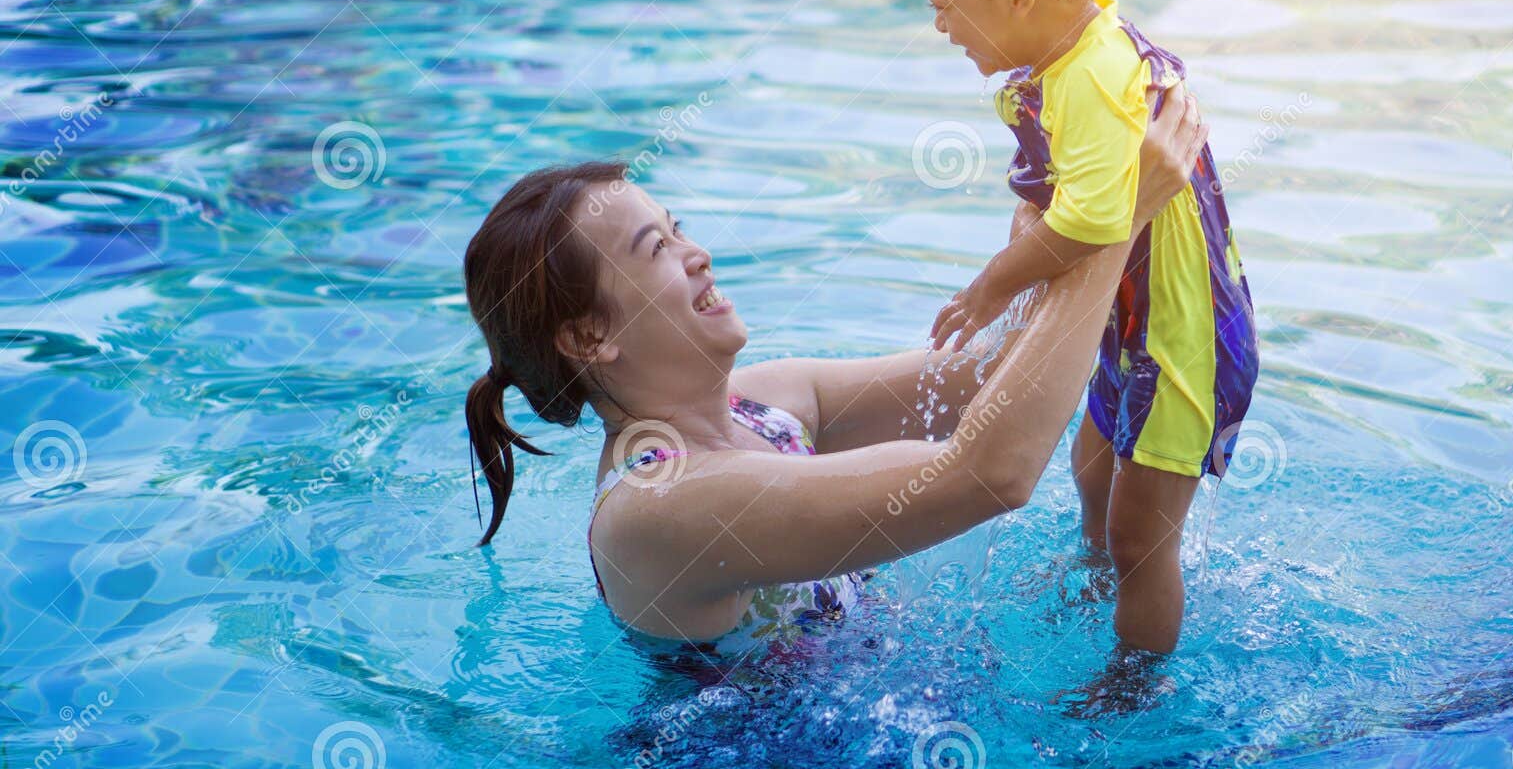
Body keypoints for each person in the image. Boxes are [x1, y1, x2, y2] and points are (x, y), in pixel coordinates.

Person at [461, 89, 1206, 651]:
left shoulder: (764, 402)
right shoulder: (656, 507)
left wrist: (1059, 233)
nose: (698, 254)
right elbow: (988, 472)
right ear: (590, 337)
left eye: (678, 228)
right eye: (658, 249)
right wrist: (1120, 217)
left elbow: (990, 379)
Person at [890, 0, 1259, 652]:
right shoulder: (1074, 56)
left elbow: (1093, 221)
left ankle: (1134, 681)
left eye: (942, 1)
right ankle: (1096, 572)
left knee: (1143, 537)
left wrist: (994, 282)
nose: (942, 24)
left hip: (1181, 345)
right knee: (1093, 467)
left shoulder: (1092, 75)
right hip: (1134, 327)